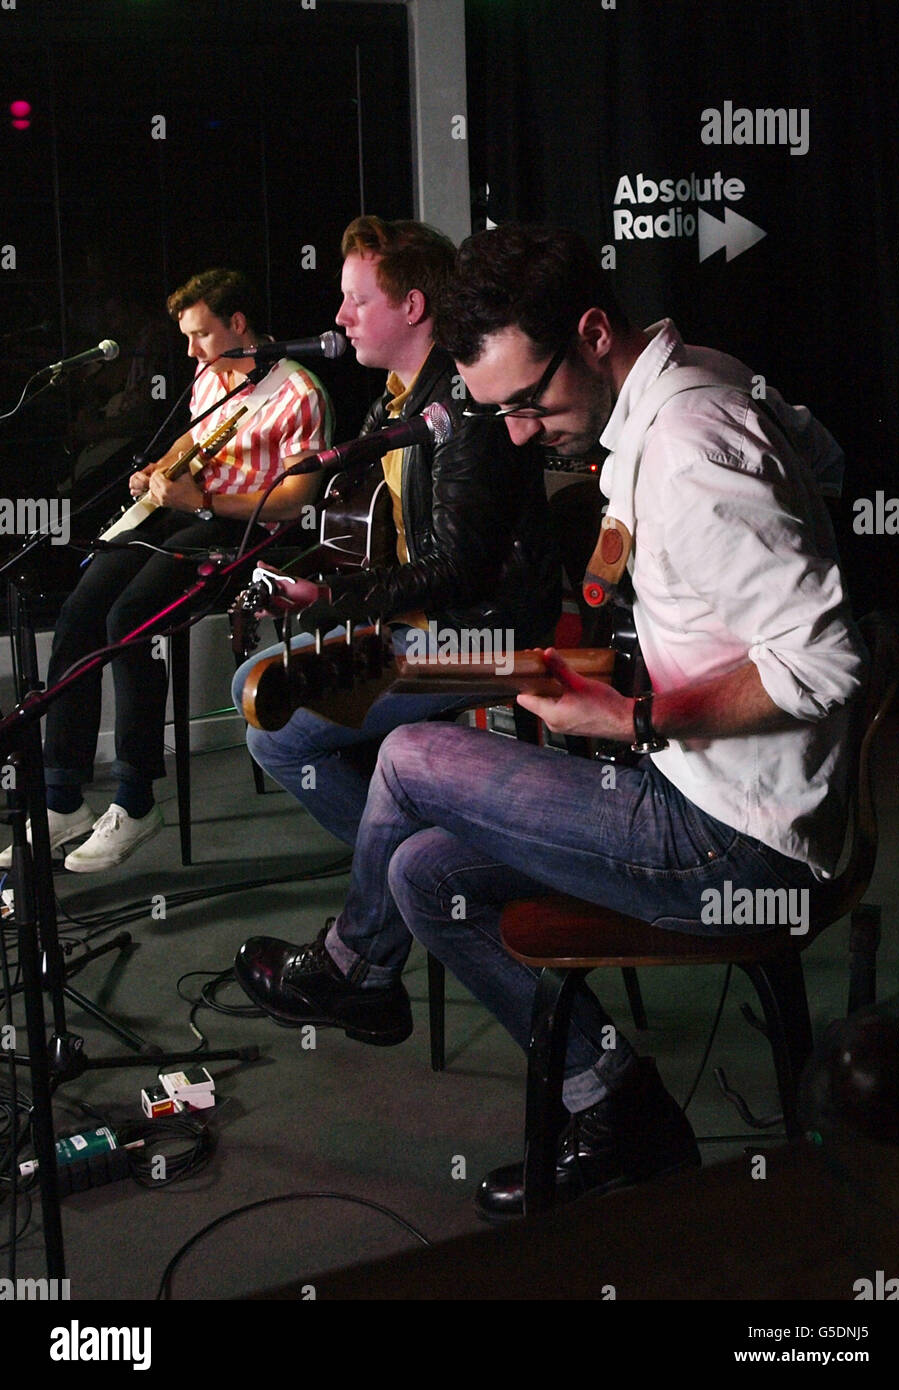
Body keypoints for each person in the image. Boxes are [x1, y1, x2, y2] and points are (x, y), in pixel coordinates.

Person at [235, 225, 864, 1219]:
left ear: (591, 333)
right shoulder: (693, 379)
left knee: (403, 754)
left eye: (529, 402)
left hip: (739, 843)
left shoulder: (690, 447)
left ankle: (353, 969)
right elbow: (821, 457)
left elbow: (829, 659)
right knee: (420, 874)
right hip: (706, 788)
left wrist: (640, 708)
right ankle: (615, 1101)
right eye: (503, 412)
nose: (521, 433)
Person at [230, 215, 559, 848]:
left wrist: (330, 601)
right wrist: (312, 583)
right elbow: (369, 528)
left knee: (275, 729)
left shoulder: (465, 405)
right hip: (423, 622)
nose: (341, 315)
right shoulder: (395, 399)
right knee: (247, 686)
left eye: (357, 300)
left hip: (481, 634)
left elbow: (457, 572)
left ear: (412, 306)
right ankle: (420, 849)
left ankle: (412, 867)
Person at [0, 268, 333, 874]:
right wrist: (159, 467)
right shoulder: (211, 373)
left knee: (131, 616)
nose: (190, 350)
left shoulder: (299, 393)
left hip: (240, 528)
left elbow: (296, 503)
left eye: (200, 335)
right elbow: (193, 438)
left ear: (238, 325)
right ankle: (61, 796)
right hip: (184, 512)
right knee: (80, 610)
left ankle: (134, 798)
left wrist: (200, 502)